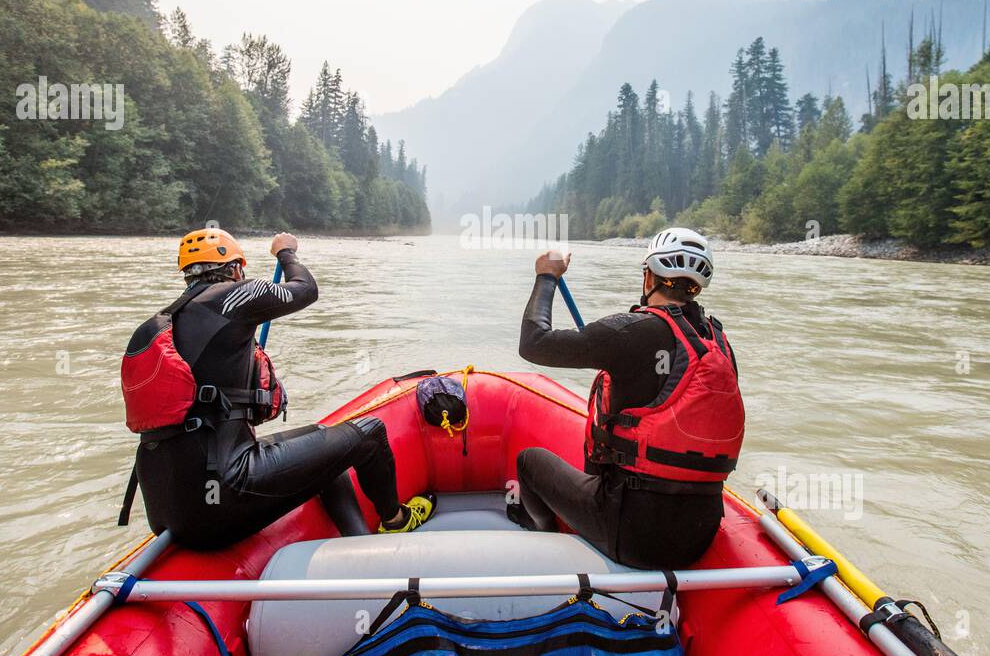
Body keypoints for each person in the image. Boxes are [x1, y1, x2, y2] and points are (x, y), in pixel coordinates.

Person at [119, 227, 434, 549]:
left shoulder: (159, 323)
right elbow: (305, 289)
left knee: (325, 450)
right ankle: (396, 521)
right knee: (369, 432)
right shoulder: (233, 296)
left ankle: (361, 547)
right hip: (224, 494)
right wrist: (286, 252)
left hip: (168, 511)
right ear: (235, 268)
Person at [510, 228, 745, 569]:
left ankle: (546, 538)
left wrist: (546, 276)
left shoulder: (632, 331)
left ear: (649, 274)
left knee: (529, 461)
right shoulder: (718, 342)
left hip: (633, 536)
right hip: (698, 536)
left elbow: (533, 342)